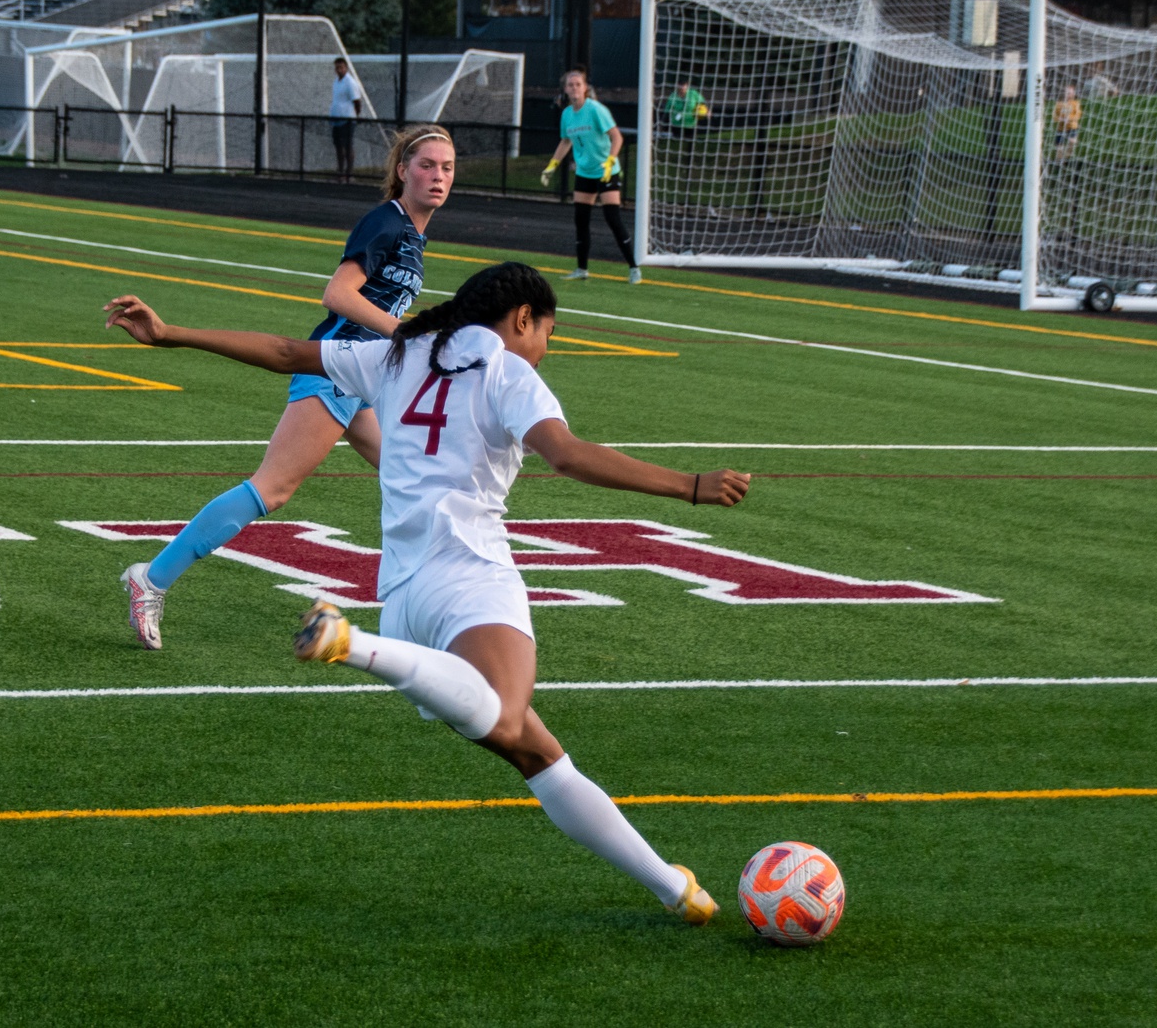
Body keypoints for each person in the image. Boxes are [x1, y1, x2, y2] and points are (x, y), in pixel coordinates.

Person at [105, 262, 748, 922]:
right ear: (521, 318)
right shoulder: (506, 370)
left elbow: (283, 352)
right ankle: (351, 644)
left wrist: (172, 332)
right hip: (469, 575)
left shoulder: (396, 354)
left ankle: (675, 889)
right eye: (547, 333)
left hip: (406, 595)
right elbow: (567, 454)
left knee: (533, 749)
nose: (544, 349)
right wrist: (689, 484)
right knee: (503, 713)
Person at [118, 127, 457, 649]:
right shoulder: (387, 222)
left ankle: (431, 601)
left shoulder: (413, 234)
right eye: (427, 165)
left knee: (408, 471)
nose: (438, 176)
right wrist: (403, 335)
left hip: (361, 375)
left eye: (447, 168)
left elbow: (385, 305)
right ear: (402, 171)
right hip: (336, 367)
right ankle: (153, 578)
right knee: (272, 489)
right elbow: (339, 294)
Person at [540, 67, 639, 284]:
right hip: (584, 172)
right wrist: (553, 165)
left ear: (585, 88)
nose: (574, 88)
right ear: (565, 89)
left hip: (606, 172)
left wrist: (611, 161)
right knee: (581, 220)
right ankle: (582, 269)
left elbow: (617, 137)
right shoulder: (567, 114)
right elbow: (566, 141)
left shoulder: (596, 110)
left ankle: (633, 267)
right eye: (570, 85)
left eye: (578, 84)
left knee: (612, 218)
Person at [329, 57, 364, 181]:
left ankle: (349, 173)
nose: (339, 70)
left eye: (341, 67)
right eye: (337, 67)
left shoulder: (350, 82)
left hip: (347, 119)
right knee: (338, 146)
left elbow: (357, 101)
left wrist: (355, 115)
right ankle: (340, 171)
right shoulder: (337, 82)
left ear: (346, 68)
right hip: (337, 119)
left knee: (347, 146)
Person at [1052, 83, 1082, 159]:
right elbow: (1054, 116)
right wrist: (1061, 119)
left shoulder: (1075, 103)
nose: (1069, 94)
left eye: (1071, 93)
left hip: (1072, 127)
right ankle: (1059, 161)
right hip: (1061, 128)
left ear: (1073, 94)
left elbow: (1078, 114)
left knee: (1072, 142)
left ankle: (1067, 156)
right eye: (1067, 93)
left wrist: (1070, 119)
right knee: (1059, 149)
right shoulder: (1059, 104)